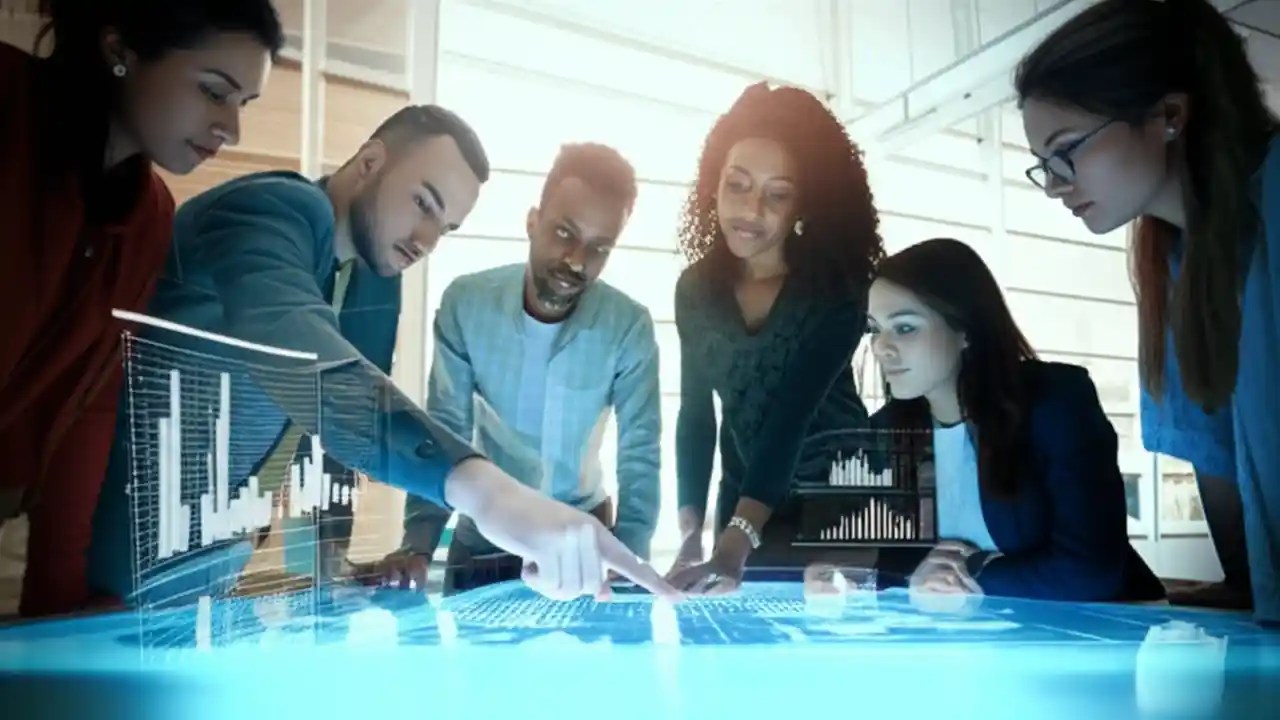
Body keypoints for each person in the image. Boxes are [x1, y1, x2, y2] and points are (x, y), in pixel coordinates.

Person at [88, 107, 681, 605]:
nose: (425, 240)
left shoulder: (376, 276)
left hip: (218, 551)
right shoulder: (268, 211)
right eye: (423, 203)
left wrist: (329, 564)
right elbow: (312, 369)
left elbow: (339, 432)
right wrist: (489, 494)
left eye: (444, 227)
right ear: (370, 162)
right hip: (118, 537)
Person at [0, 0, 283, 618]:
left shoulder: (150, 216)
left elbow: (89, 405)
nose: (231, 129)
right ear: (120, 49)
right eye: (214, 91)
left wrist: (59, 600)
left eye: (243, 105)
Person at [1016, 0, 1277, 622]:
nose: (1055, 184)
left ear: (1168, 115)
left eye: (1066, 151)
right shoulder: (1171, 263)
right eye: (1043, 165)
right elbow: (1215, 458)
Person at [370, 143, 662, 595]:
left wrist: (629, 559)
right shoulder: (466, 304)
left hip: (581, 543)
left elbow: (639, 452)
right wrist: (419, 545)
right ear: (532, 222)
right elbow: (445, 428)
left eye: (598, 247)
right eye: (565, 233)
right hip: (485, 544)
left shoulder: (629, 328)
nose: (577, 261)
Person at [666, 82, 884, 594]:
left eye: (777, 194)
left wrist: (734, 546)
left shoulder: (838, 290)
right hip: (744, 501)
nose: (751, 209)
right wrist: (690, 536)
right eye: (737, 184)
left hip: (841, 504)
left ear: (803, 204)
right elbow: (696, 416)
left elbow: (791, 417)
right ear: (712, 184)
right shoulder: (694, 290)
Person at [867, 238, 1166, 603]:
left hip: (1100, 630)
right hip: (970, 639)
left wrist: (974, 571)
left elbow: (1090, 571)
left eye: (904, 328)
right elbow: (893, 568)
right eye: (873, 329)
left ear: (966, 330)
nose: (881, 347)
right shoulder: (885, 432)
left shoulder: (1054, 402)